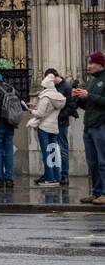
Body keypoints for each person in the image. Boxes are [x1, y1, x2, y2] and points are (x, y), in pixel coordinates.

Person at [71, 52, 105, 205]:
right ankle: (96, 192)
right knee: (93, 162)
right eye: (89, 63)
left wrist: (89, 95)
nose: (89, 66)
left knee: (103, 162)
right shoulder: (91, 81)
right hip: (89, 126)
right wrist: (78, 98)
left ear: (101, 64)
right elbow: (89, 105)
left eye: (92, 63)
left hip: (101, 126)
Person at [27, 72, 66, 187]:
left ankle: (49, 178)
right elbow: (50, 110)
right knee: (53, 152)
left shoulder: (46, 96)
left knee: (46, 153)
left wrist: (31, 111)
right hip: (54, 127)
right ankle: (56, 177)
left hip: (44, 127)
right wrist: (36, 106)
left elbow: (40, 113)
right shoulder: (58, 97)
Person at [49, 69, 78, 187]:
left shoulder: (66, 87)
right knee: (51, 148)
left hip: (61, 122)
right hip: (52, 122)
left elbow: (71, 106)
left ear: (55, 76)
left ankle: (64, 174)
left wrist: (59, 117)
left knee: (63, 149)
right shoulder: (52, 87)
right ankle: (52, 173)